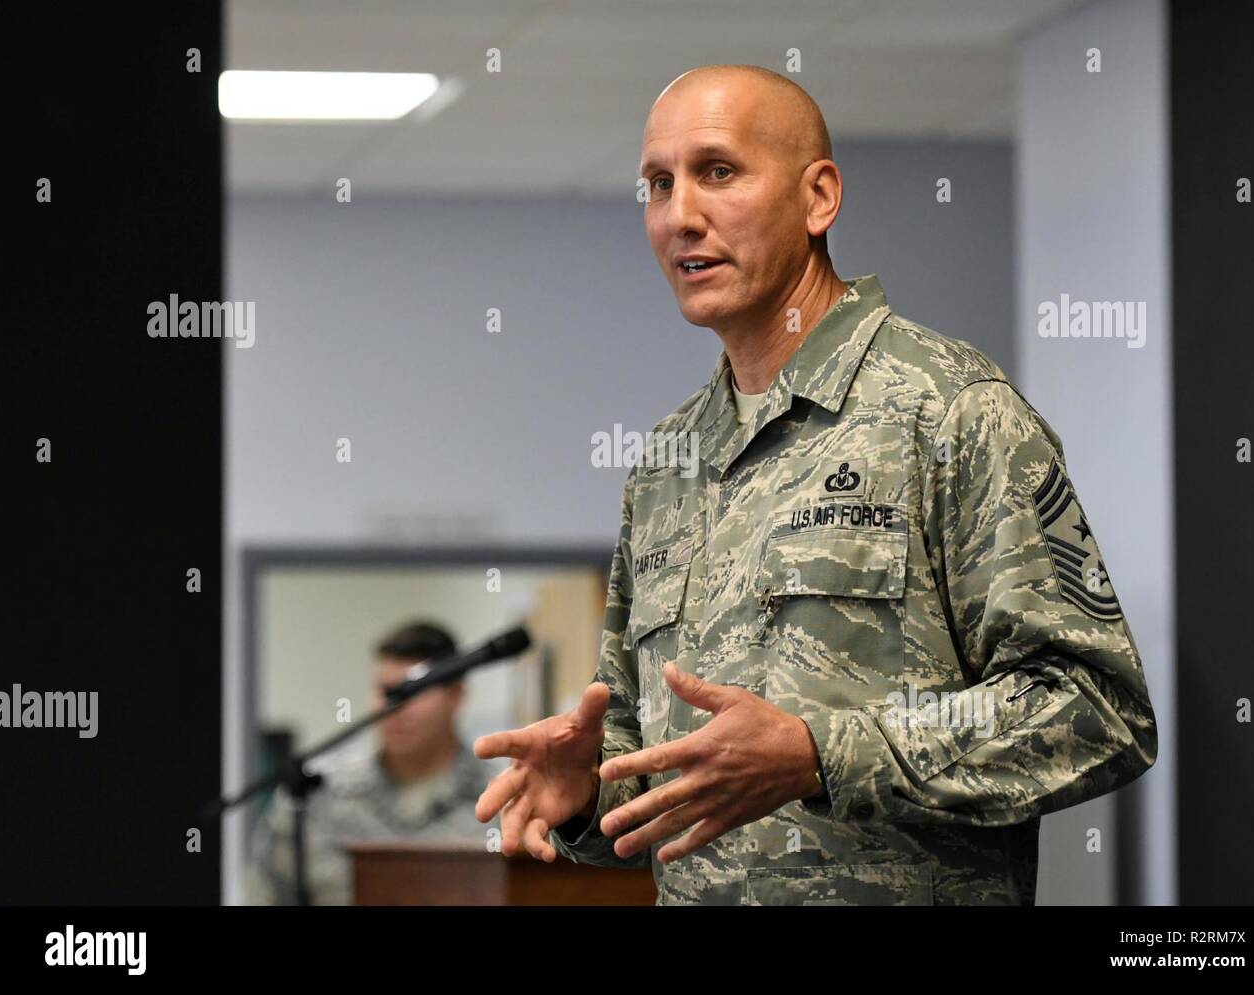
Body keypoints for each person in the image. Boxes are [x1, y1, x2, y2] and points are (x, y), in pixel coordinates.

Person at [474, 64, 1158, 906]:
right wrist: (586, 795)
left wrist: (822, 754)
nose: (679, 214)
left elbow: (1096, 711)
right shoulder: (666, 461)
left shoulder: (949, 411)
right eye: (658, 183)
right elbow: (652, 766)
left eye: (717, 172)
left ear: (819, 197)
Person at [246, 621, 493, 905]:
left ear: (456, 696)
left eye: (414, 690)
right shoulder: (313, 797)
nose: (396, 707)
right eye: (385, 691)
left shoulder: (500, 800)